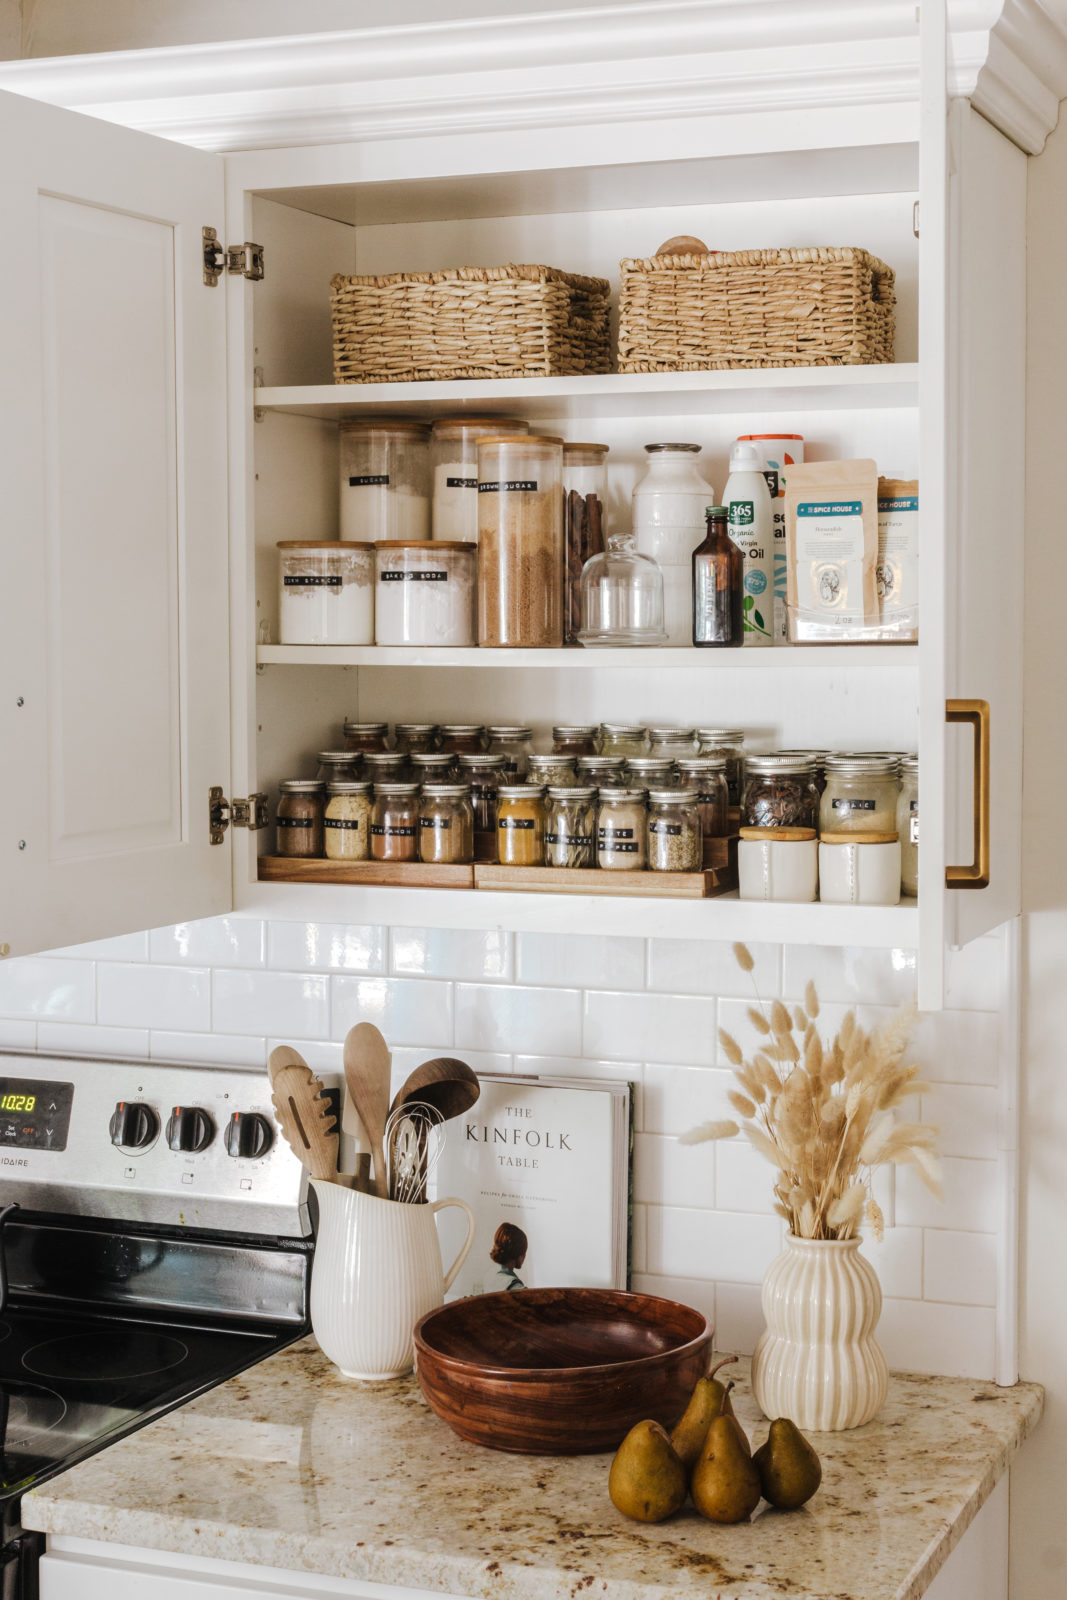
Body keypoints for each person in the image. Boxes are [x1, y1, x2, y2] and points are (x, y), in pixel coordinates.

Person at [489, 1221, 528, 1290]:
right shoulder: (513, 1285)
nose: (525, 1255)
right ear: (517, 1252)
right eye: (524, 1251)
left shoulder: (489, 1277)